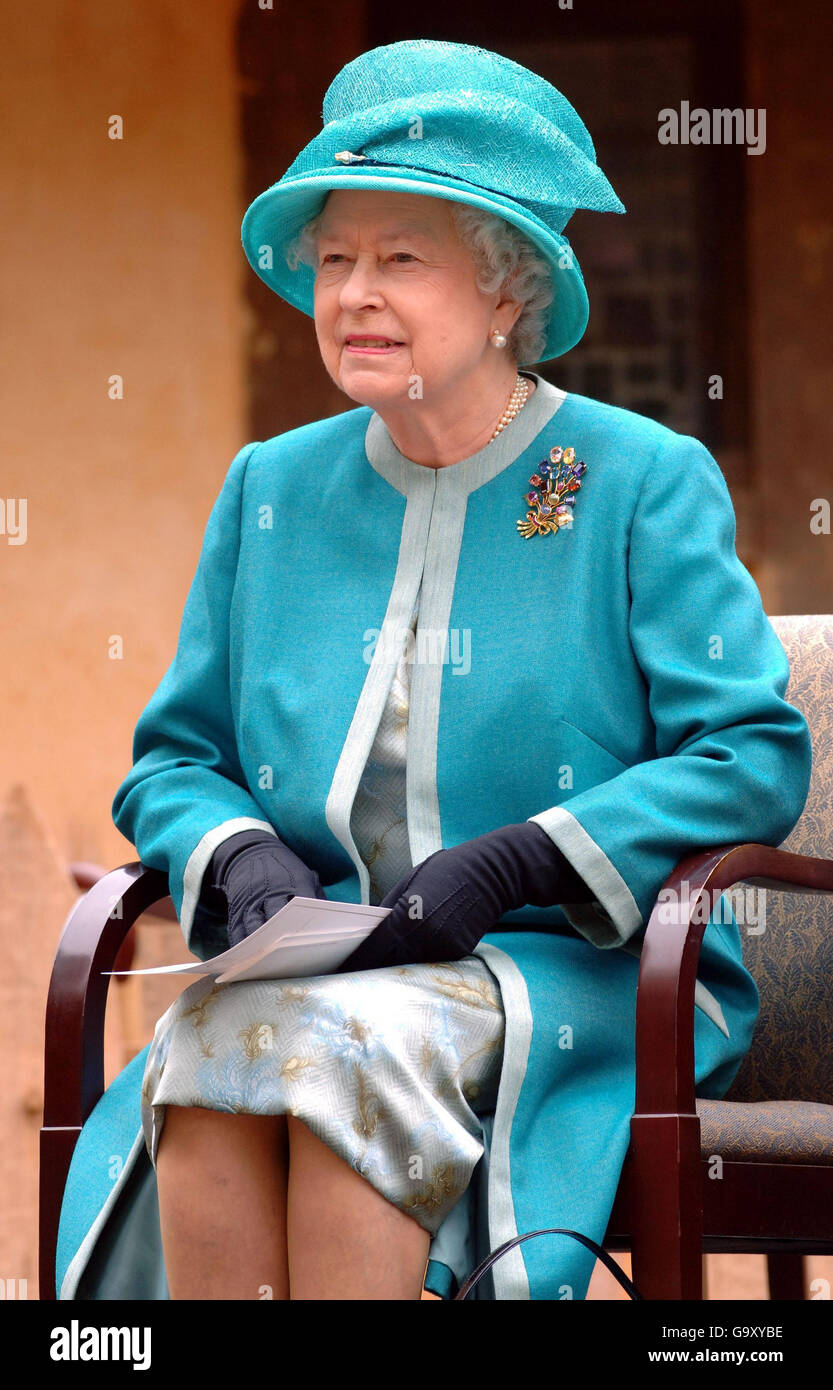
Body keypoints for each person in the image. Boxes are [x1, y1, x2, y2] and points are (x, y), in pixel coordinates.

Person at [56, 38, 812, 1302]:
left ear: (509, 288)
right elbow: (175, 758)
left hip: (580, 977)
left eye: (401, 258)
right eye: (334, 258)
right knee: (214, 1038)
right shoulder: (271, 489)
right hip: (313, 979)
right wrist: (234, 851)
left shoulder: (632, 481)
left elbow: (748, 755)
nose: (353, 292)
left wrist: (522, 855)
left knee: (342, 1044)